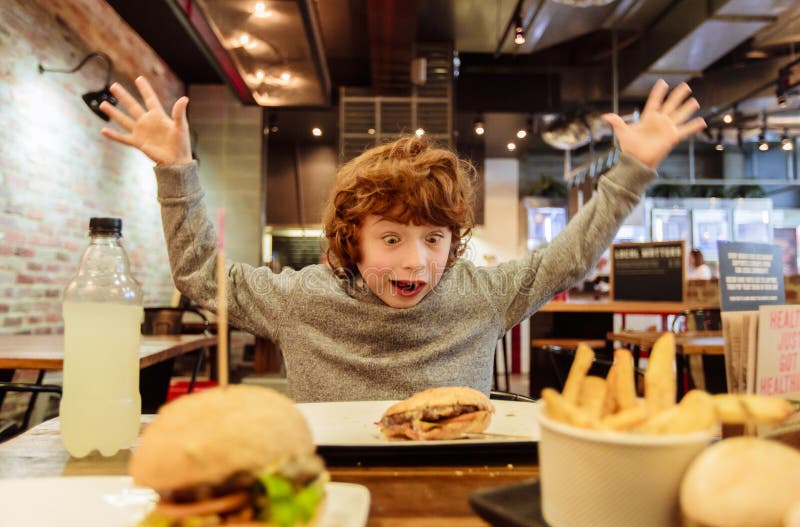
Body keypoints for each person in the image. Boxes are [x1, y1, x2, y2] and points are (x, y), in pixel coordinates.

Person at [99, 77, 705, 401]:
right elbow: (201, 276)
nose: (416, 260)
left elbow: (570, 257)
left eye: (434, 239)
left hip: (454, 482)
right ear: (352, 240)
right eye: (391, 239)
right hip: (328, 491)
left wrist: (631, 172)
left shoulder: (482, 295)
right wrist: (176, 170)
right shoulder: (303, 298)